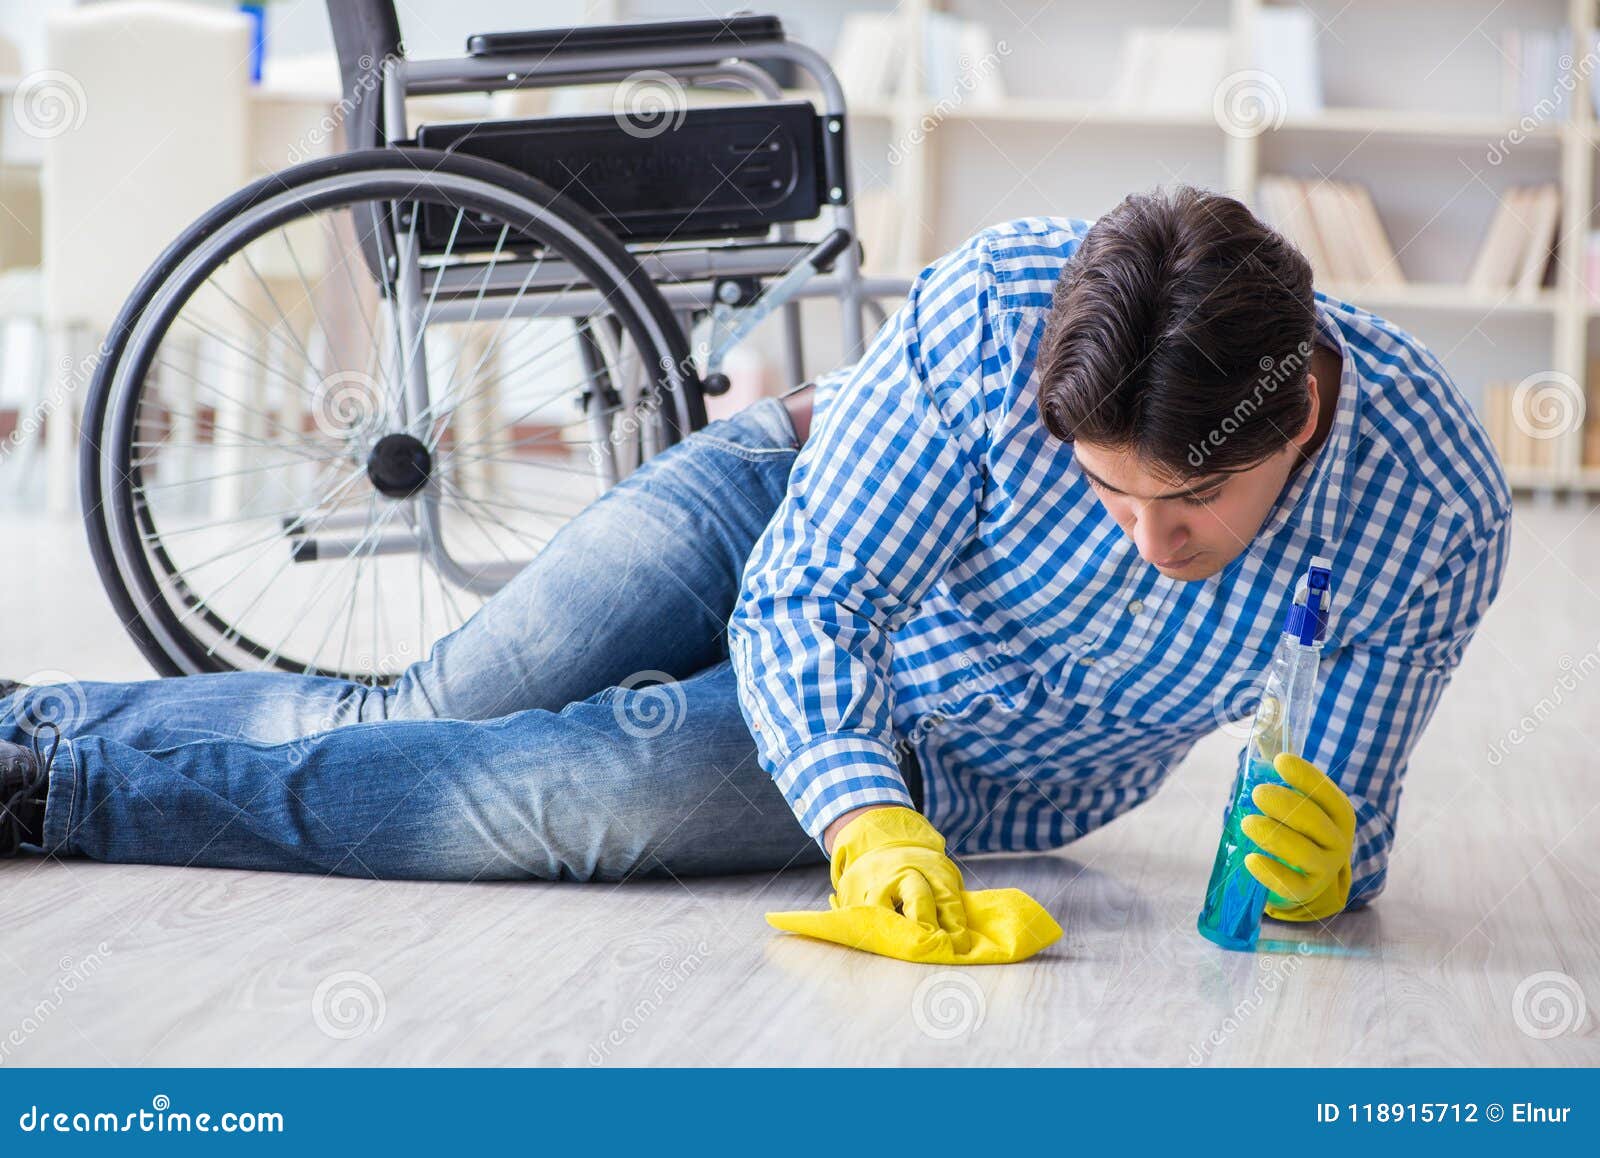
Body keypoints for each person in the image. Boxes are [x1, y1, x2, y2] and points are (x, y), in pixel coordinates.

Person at [0, 187, 1510, 964]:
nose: (1147, 543)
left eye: (1192, 501)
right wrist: (854, 819)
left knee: (551, 792)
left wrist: (1325, 868)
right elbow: (815, 597)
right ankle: (37, 721)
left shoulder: (1430, 511)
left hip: (967, 755)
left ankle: (50, 788)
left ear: (1297, 416)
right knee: (438, 699)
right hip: (771, 503)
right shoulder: (1000, 305)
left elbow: (1335, 810)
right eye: (1104, 489)